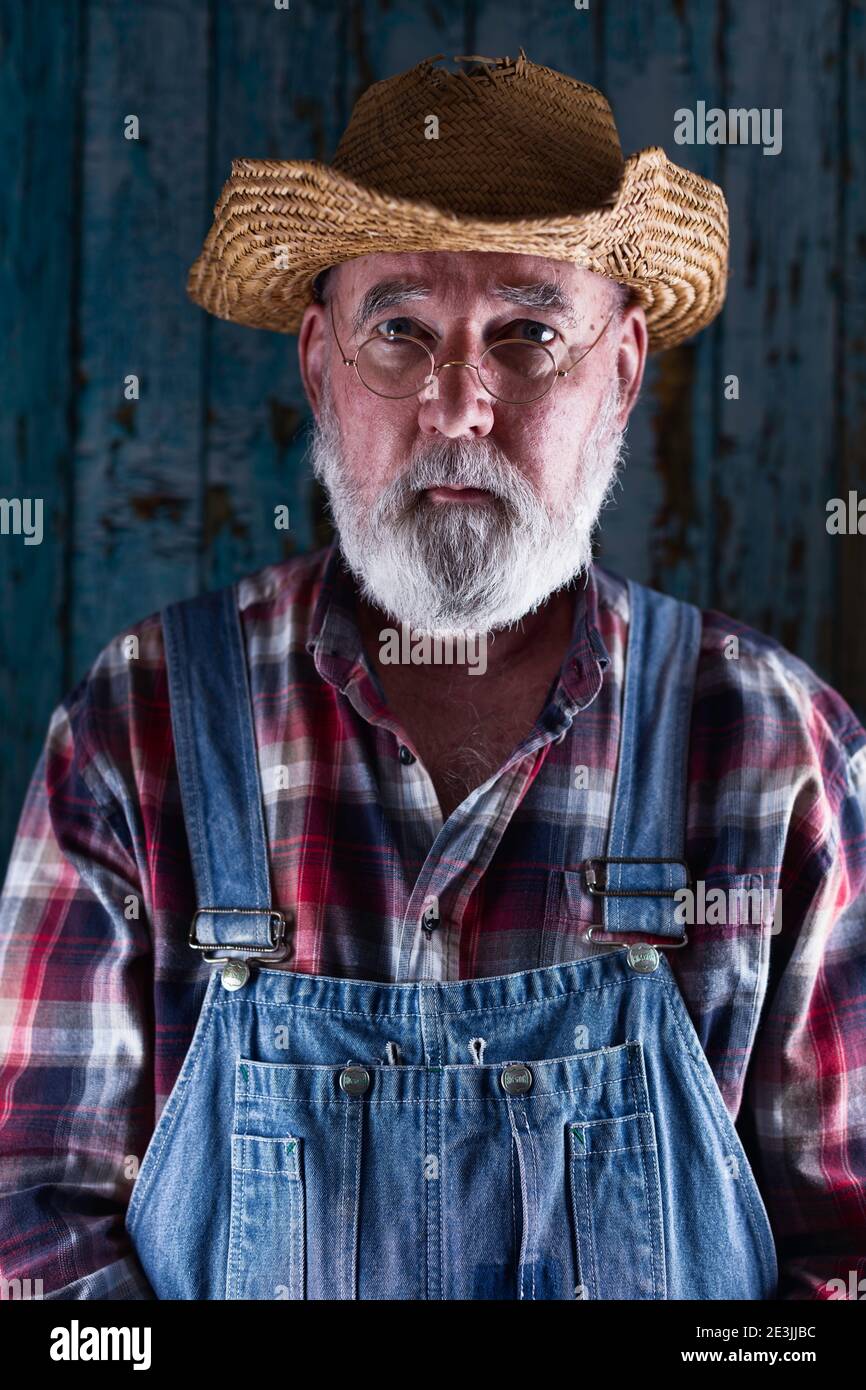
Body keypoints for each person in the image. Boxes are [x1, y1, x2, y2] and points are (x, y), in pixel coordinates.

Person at [1, 51, 864, 1302]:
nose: (459, 406)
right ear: (317, 364)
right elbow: (28, 1236)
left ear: (620, 373)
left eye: (527, 334)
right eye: (399, 331)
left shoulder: (782, 758)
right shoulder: (137, 730)